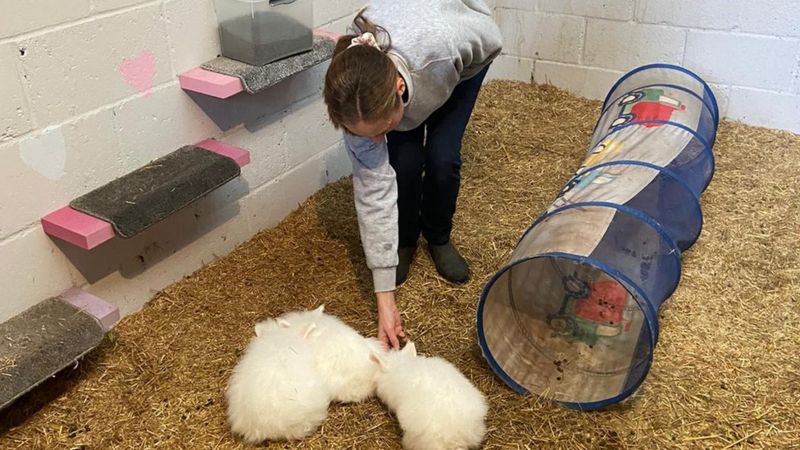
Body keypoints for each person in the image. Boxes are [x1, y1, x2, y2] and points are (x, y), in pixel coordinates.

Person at [323, 0, 502, 349]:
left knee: (441, 158)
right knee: (402, 164)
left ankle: (438, 236)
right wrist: (384, 298)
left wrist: (445, 94)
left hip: (453, 65)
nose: (374, 140)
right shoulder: (351, 98)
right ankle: (405, 240)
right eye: (363, 134)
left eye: (380, 130)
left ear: (399, 92)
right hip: (404, 78)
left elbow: (490, 39)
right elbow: (373, 192)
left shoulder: (440, 45)